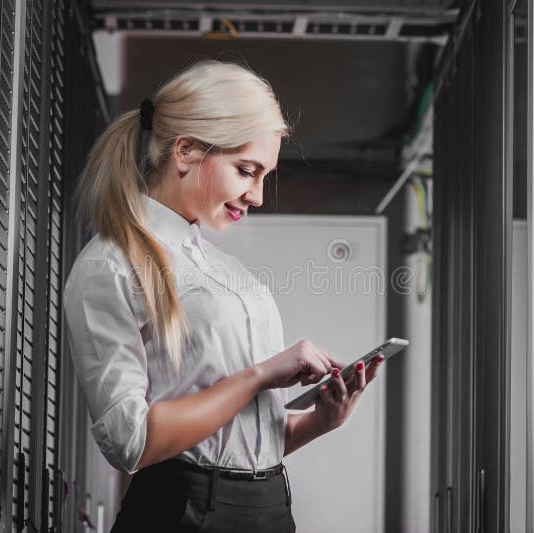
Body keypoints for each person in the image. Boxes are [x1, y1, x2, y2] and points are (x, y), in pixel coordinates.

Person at [62, 59, 385, 532]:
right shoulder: (108, 265)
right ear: (187, 151)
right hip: (181, 514)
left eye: (264, 175)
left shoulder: (225, 272)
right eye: (246, 170)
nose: (257, 195)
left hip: (269, 506)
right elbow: (130, 441)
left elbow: (234, 446)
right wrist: (257, 377)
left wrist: (321, 420)